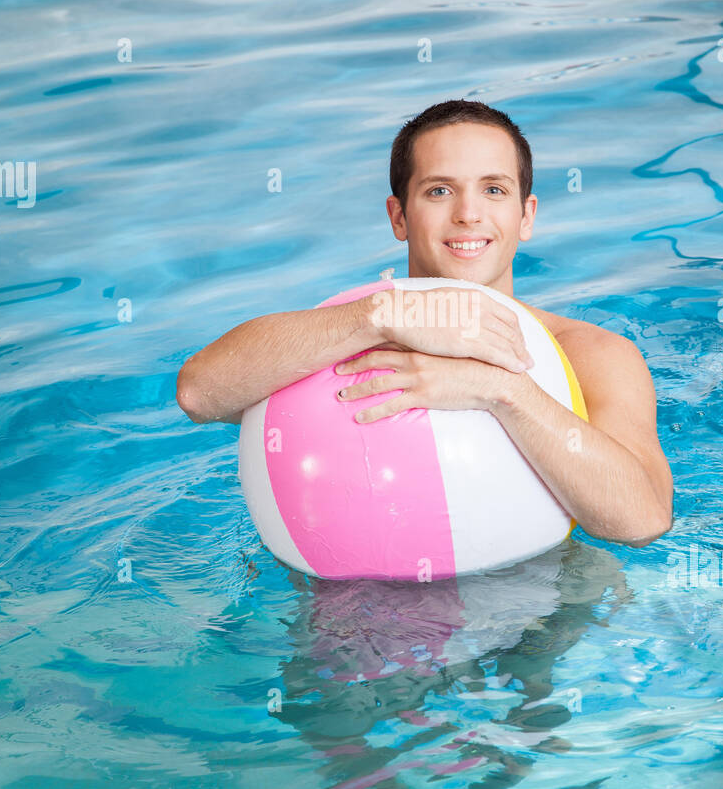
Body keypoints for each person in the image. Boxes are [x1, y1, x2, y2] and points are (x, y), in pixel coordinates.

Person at [177, 100, 673, 546]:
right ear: (399, 217)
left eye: (494, 190)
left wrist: (500, 390)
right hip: (346, 601)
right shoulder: (340, 334)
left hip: (544, 598)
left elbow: (642, 520)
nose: (468, 215)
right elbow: (199, 394)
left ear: (526, 214)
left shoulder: (591, 355)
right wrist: (384, 315)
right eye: (439, 191)